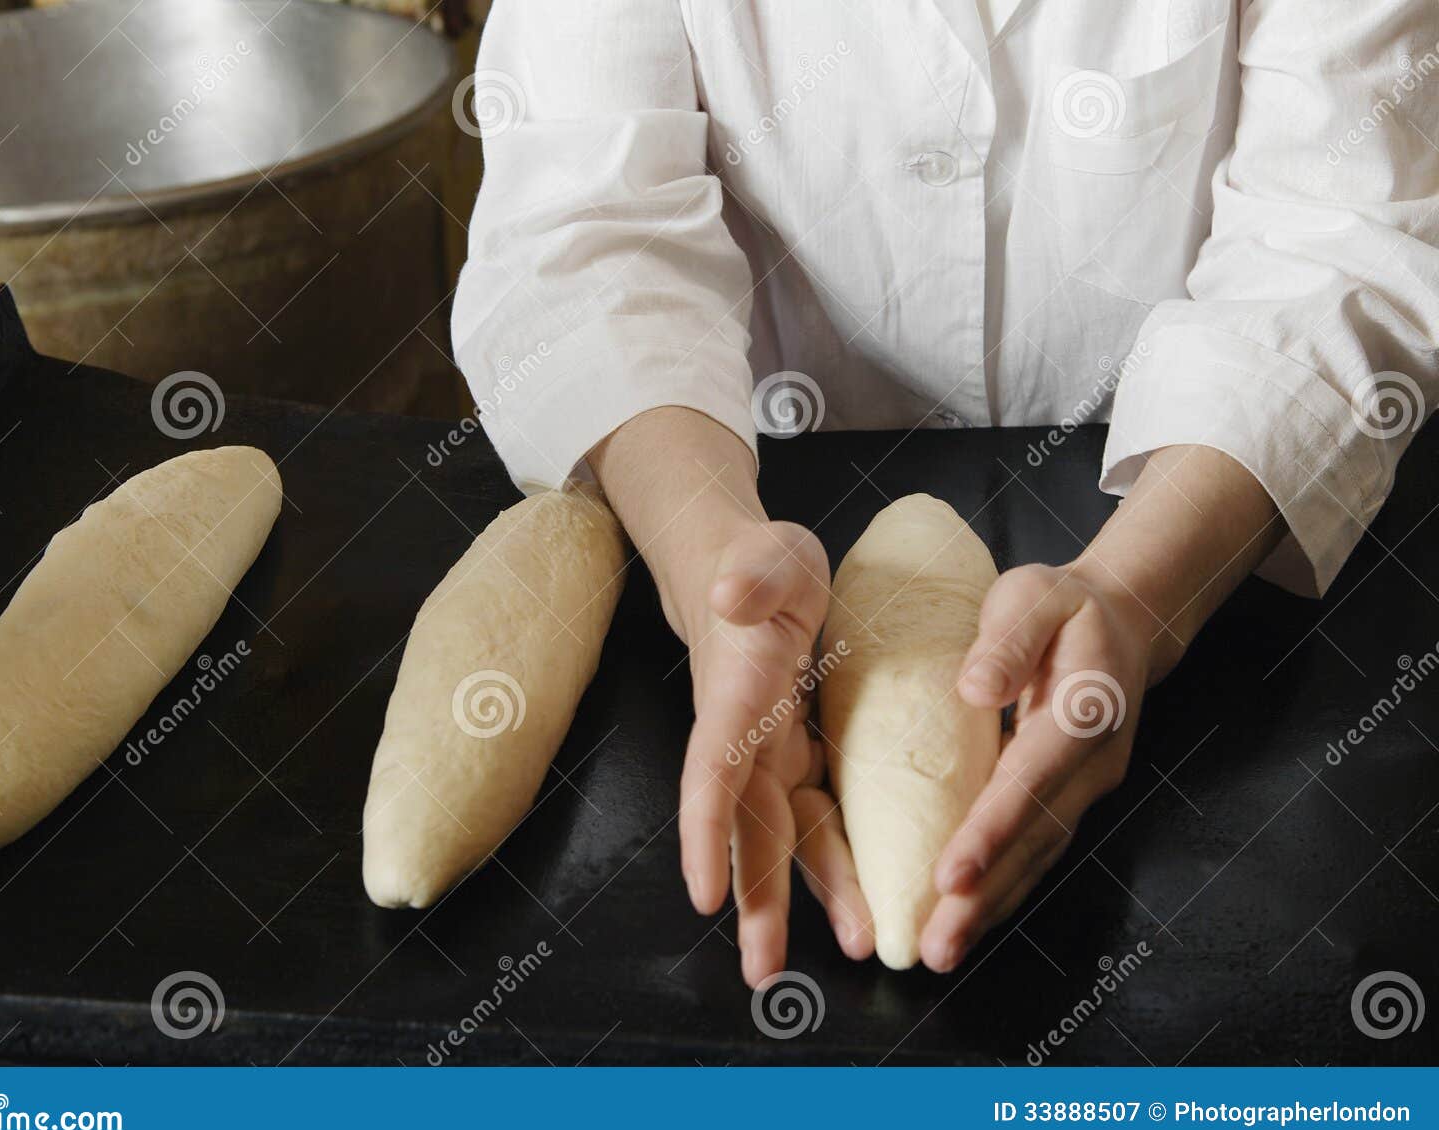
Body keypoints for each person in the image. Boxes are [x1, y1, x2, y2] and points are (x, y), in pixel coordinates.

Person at [450, 0, 1439, 987]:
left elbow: (1334, 235)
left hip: (1199, 526)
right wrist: (710, 567)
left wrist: (1137, 598)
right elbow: (587, 235)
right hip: (755, 503)